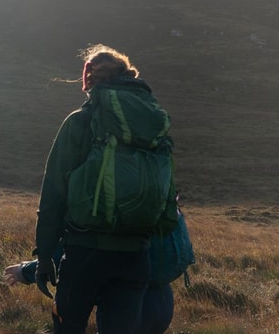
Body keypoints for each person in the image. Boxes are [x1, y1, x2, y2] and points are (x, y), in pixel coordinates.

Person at [35, 45, 178, 334]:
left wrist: (45, 254)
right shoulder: (154, 123)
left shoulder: (81, 121)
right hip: (137, 253)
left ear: (88, 78)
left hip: (86, 249)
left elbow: (54, 192)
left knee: (68, 327)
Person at [3, 251, 174, 334]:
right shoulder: (148, 192)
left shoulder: (99, 199)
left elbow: (73, 252)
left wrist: (26, 271)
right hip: (162, 301)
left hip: (125, 308)